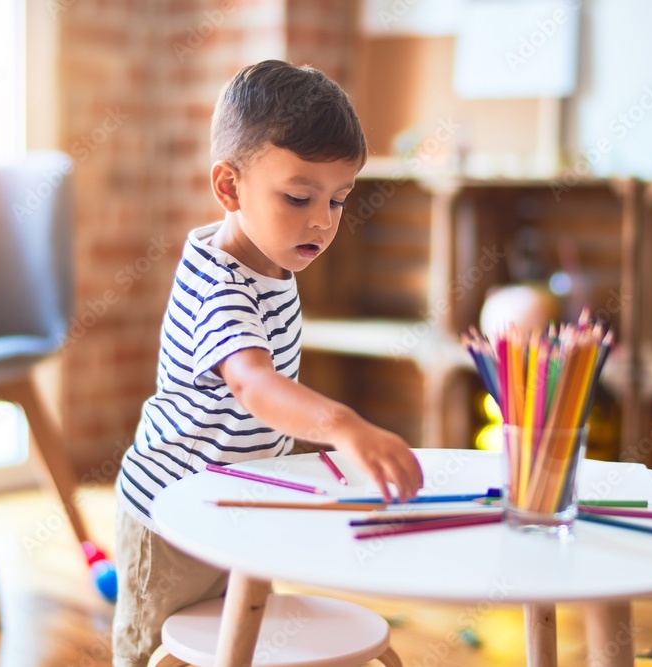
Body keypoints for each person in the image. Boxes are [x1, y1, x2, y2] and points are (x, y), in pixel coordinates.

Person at [112, 59, 424, 667]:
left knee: (245, 644)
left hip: (237, 503)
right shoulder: (221, 285)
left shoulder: (271, 259)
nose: (322, 220)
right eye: (299, 197)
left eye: (338, 200)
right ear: (229, 188)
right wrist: (343, 426)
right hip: (170, 515)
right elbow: (253, 383)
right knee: (161, 651)